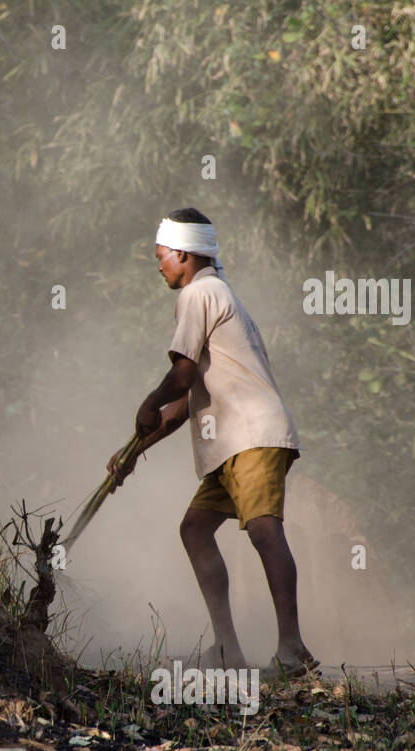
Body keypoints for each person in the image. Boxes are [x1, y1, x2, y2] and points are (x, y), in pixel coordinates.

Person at [109, 208, 318, 679]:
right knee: (195, 529)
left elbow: (180, 377)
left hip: (252, 435)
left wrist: (146, 401)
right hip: (231, 441)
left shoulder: (200, 292)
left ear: (182, 253)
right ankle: (227, 649)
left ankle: (292, 651)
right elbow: (186, 405)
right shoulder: (215, 294)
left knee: (264, 531)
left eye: (161, 254)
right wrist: (131, 454)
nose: (158, 264)